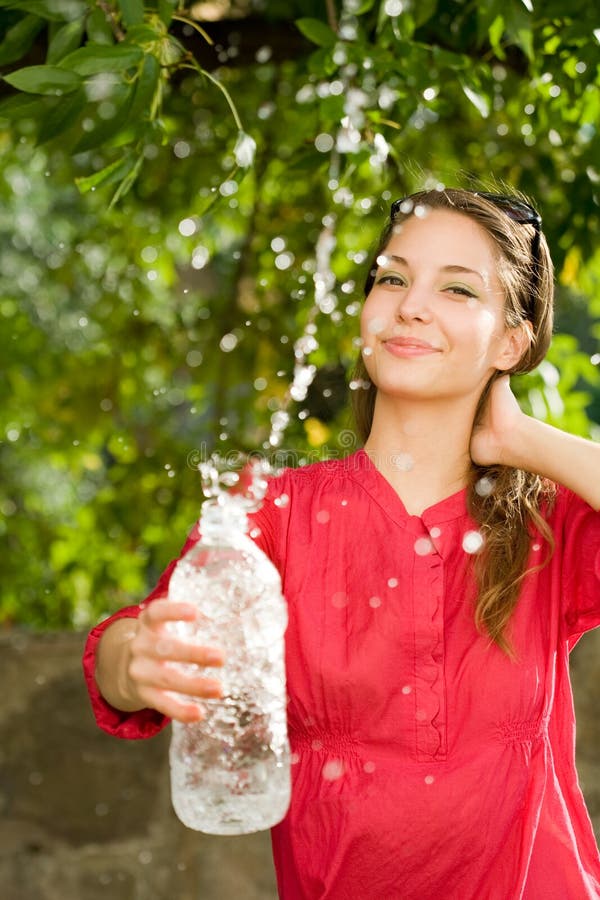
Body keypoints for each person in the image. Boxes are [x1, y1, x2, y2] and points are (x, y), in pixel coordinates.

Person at [83, 188, 600, 899]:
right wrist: (134, 660)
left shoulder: (549, 523)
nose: (411, 305)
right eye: (393, 277)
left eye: (456, 288)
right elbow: (127, 650)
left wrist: (521, 438)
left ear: (511, 341)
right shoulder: (271, 512)